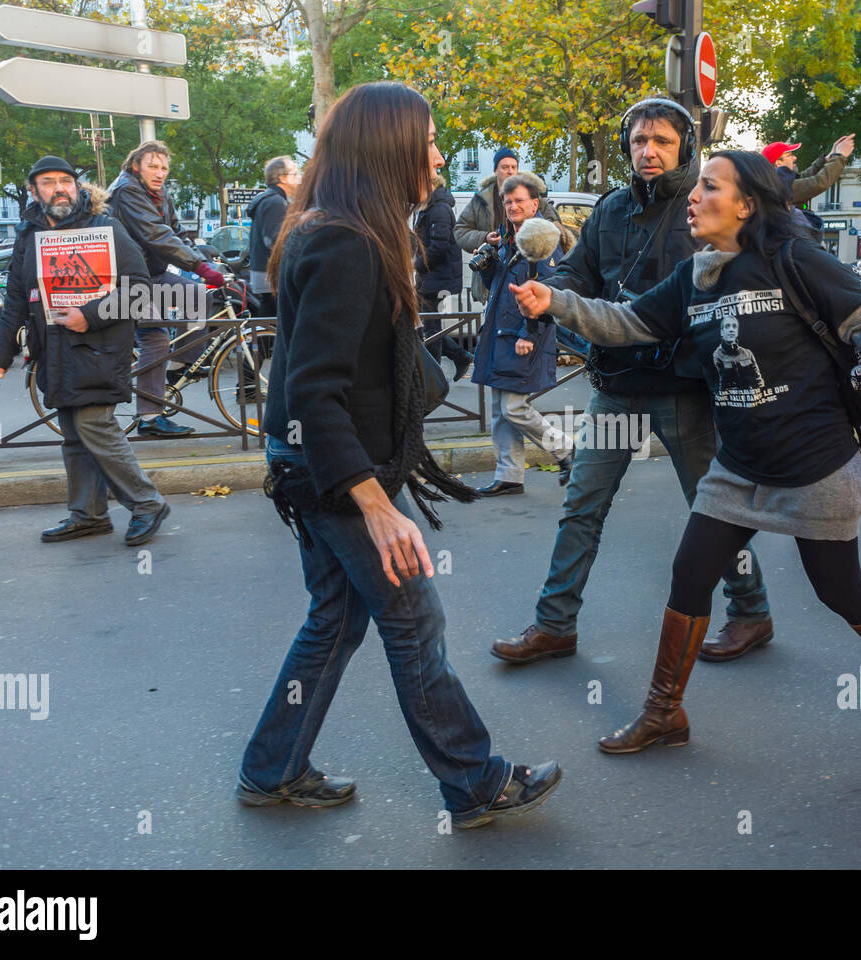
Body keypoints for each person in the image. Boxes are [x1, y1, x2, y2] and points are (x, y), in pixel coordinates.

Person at [511, 150, 861, 754]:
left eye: (709, 187)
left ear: (746, 205)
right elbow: (628, 321)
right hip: (737, 467)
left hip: (814, 466)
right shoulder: (695, 277)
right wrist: (554, 302)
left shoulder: (794, 259)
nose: (693, 195)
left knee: (839, 590)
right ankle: (664, 713)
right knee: (690, 573)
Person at [240, 82, 561, 826]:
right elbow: (318, 391)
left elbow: (339, 362)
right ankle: (476, 782)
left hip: (316, 466)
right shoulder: (345, 240)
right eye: (427, 140)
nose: (439, 155)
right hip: (340, 475)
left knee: (335, 618)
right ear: (387, 148)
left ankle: (272, 767)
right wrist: (379, 508)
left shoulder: (337, 226)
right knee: (414, 623)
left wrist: (420, 364)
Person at [490, 96, 774, 667]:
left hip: (684, 388)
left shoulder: (703, 207)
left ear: (685, 148)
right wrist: (550, 292)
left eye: (663, 141)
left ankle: (751, 611)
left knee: (714, 511)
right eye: (640, 141)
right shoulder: (610, 209)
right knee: (582, 506)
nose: (649, 151)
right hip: (617, 385)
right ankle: (555, 624)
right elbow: (579, 274)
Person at [0, 156, 171, 547]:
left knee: (93, 425)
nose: (60, 188)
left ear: (77, 185)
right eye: (49, 182)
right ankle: (88, 515)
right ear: (34, 191)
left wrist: (90, 315)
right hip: (52, 349)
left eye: (66, 180)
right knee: (73, 434)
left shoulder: (106, 226)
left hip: (99, 347)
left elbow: (140, 289)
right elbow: (16, 297)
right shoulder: (28, 235)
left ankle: (146, 503)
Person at [108, 140, 226, 438]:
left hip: (153, 274)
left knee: (198, 296)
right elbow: (156, 234)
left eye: (164, 168)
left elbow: (175, 231)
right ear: (136, 167)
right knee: (156, 337)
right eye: (153, 167)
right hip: (127, 280)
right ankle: (149, 417)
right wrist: (199, 267)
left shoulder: (159, 192)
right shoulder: (127, 192)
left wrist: (203, 256)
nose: (160, 173)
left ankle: (176, 366)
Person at [470, 171, 574, 495]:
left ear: (534, 204)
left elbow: (550, 291)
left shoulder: (541, 239)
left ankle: (566, 449)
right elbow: (499, 286)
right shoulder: (509, 237)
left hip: (524, 335)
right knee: (501, 407)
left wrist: (528, 334)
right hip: (501, 334)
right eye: (507, 200)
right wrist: (488, 266)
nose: (512, 206)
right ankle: (509, 474)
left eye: (519, 201)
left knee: (514, 407)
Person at [454, 147, 561, 303]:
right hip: (491, 284)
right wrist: (484, 238)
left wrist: (530, 239)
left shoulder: (532, 196)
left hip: (528, 283)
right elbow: (459, 231)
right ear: (495, 171)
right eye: (505, 167)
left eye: (514, 167)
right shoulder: (480, 200)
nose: (510, 171)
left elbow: (555, 228)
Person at [414, 171, 474, 380]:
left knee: (431, 329)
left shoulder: (439, 208)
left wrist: (417, 264)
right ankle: (460, 356)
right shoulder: (429, 205)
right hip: (431, 277)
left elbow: (438, 246)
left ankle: (434, 379)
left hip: (437, 277)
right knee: (427, 326)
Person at [248, 154, 301, 319]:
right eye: (295, 173)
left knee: (268, 322)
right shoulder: (276, 202)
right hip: (273, 276)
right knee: (281, 322)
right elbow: (275, 241)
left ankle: (261, 345)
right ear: (283, 178)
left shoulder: (271, 199)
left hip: (265, 275)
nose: (299, 176)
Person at [762, 136, 855, 206]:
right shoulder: (779, 186)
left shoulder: (777, 182)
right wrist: (839, 156)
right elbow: (818, 183)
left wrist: (828, 158)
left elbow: (803, 178)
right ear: (778, 163)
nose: (795, 157)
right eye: (789, 155)